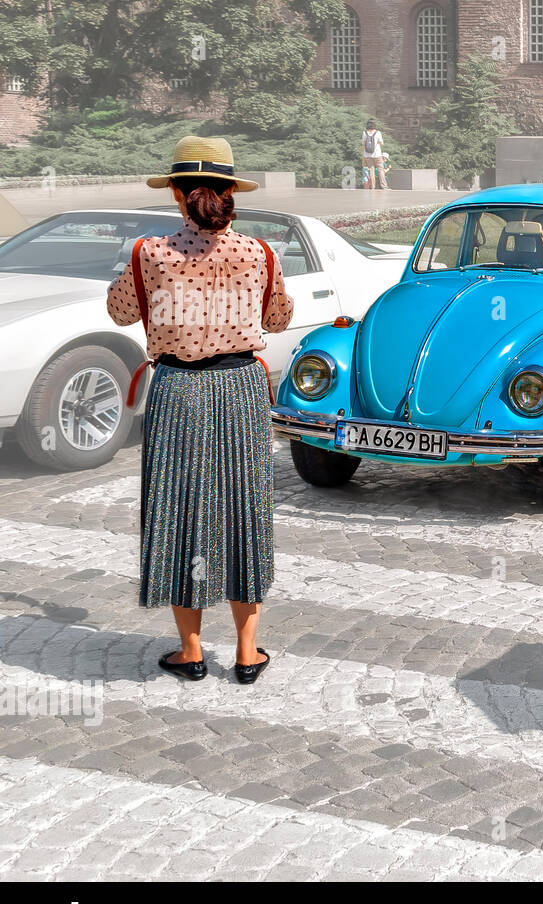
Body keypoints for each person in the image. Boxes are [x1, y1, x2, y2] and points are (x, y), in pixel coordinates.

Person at [106, 135, 294, 685]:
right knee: (241, 508)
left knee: (180, 510)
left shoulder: (150, 253)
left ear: (177, 196)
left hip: (178, 392)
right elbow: (279, 319)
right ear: (231, 193)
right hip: (238, 388)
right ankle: (246, 651)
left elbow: (119, 312)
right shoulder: (260, 253)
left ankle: (189, 651)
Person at [362, 120, 388, 190]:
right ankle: (383, 186)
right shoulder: (377, 132)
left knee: (371, 170)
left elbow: (363, 143)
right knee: (380, 170)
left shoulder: (364, 133)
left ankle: (372, 186)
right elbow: (381, 142)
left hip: (367, 155)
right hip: (377, 154)